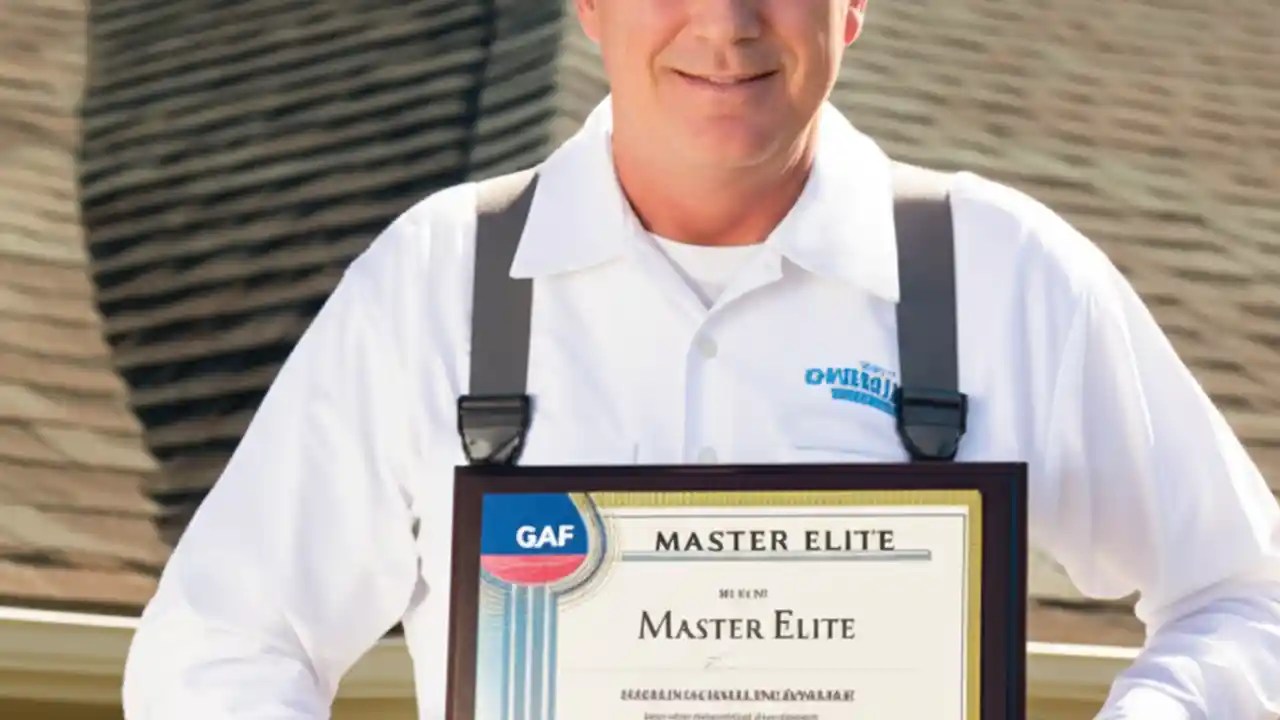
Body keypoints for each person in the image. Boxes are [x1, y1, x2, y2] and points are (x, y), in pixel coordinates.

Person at [122, 1, 1280, 718]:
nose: (723, 26)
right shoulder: (440, 280)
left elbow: (1249, 599)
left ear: (853, 4)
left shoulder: (1003, 274)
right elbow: (221, 650)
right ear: (586, 3)